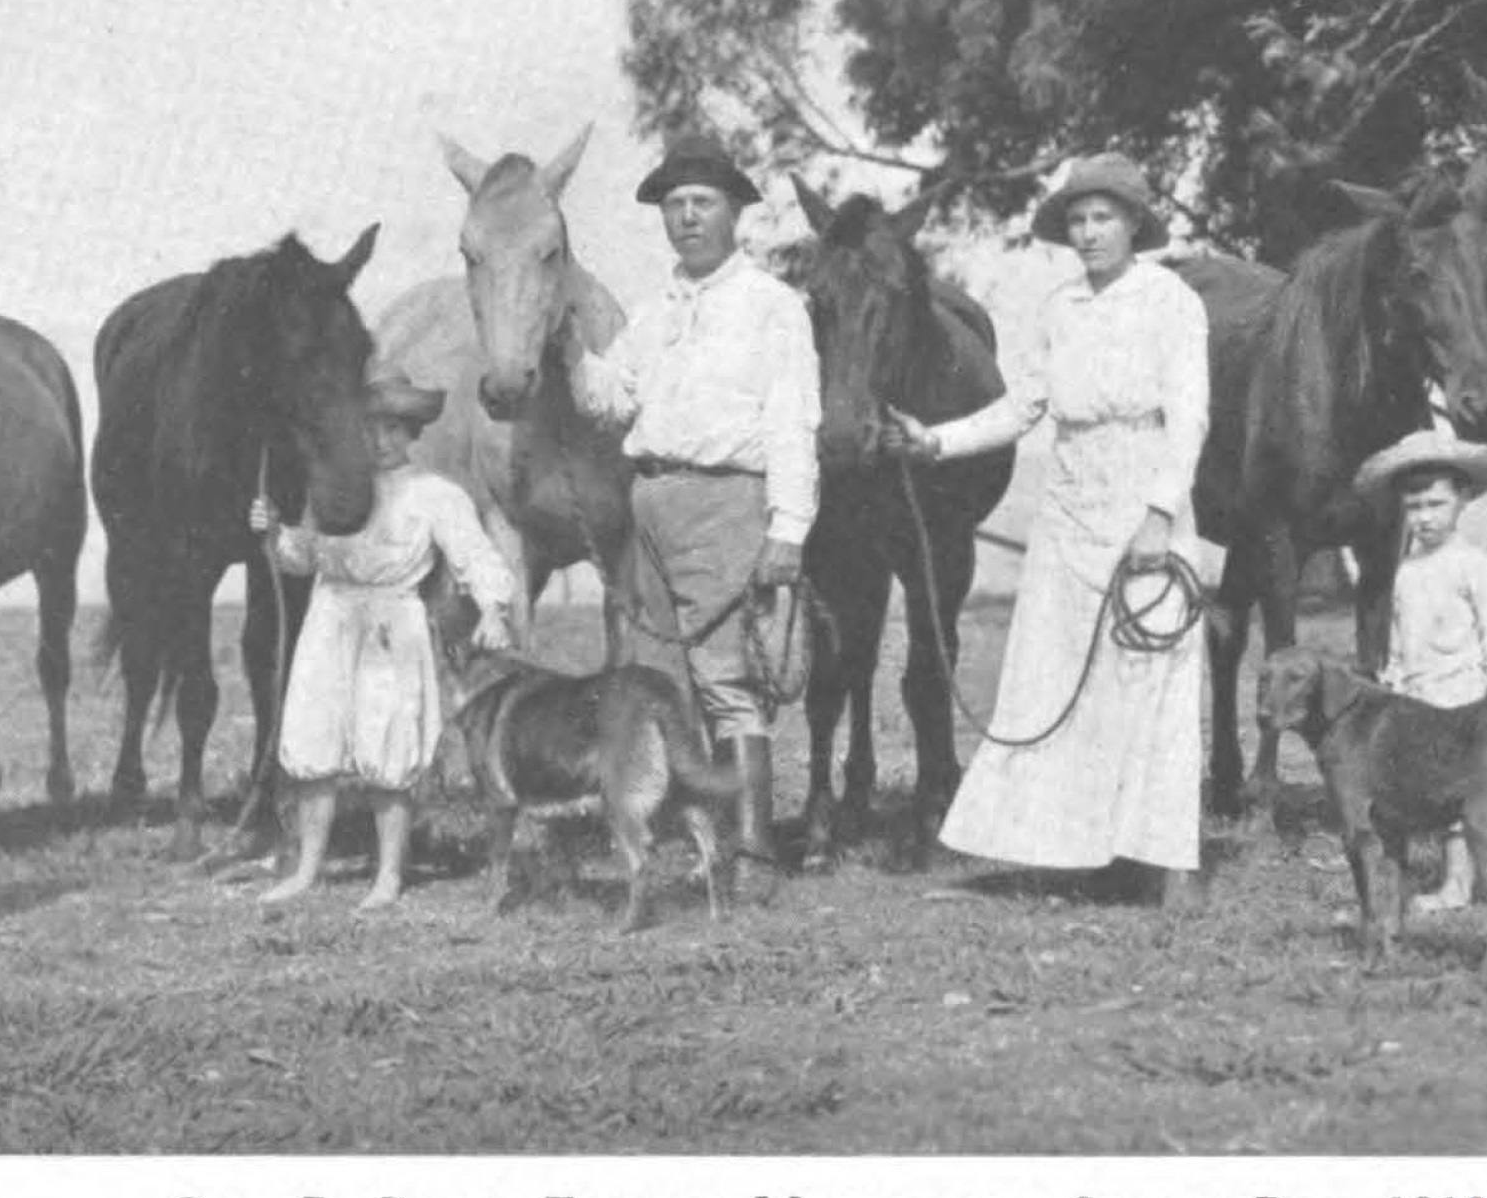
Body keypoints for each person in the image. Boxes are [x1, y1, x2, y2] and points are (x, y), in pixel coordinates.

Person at [882, 152, 1211, 908]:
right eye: (1079, 220)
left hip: (1143, 499)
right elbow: (1020, 407)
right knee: (1062, 680)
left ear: (1133, 225)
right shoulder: (1060, 307)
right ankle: (1083, 851)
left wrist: (1159, 514)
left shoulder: (1169, 301)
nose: (1089, 233)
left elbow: (1190, 416)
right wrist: (935, 440)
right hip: (1067, 511)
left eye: (1104, 219)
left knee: (1149, 680)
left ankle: (1166, 861)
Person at [567, 133, 820, 904]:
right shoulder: (654, 313)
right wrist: (567, 348)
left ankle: (755, 852)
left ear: (735, 212)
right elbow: (611, 402)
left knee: (728, 680)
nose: (686, 217)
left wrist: (788, 529)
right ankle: (694, 845)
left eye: (702, 202)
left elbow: (792, 422)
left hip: (726, 501)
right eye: (674, 204)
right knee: (660, 680)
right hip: (649, 501)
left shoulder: (773, 307)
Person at [247, 362, 516, 910]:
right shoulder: (333, 489)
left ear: (412, 431)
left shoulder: (435, 494)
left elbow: (475, 555)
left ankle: (389, 874)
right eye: (368, 428)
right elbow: (303, 557)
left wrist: (493, 608)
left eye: (392, 428)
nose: (380, 440)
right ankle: (306, 869)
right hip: (329, 616)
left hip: (393, 626)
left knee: (388, 745)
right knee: (314, 741)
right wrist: (274, 533)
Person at [1354, 427, 1487, 914]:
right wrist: (1393, 675)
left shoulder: (1473, 565)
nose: (1424, 517)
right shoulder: (1407, 570)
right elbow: (1399, 632)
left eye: (1435, 504)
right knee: (1408, 787)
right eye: (1414, 507)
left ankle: (1459, 883)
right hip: (1417, 699)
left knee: (1458, 795)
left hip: (1463, 698)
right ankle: (1398, 877)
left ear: (1462, 500)